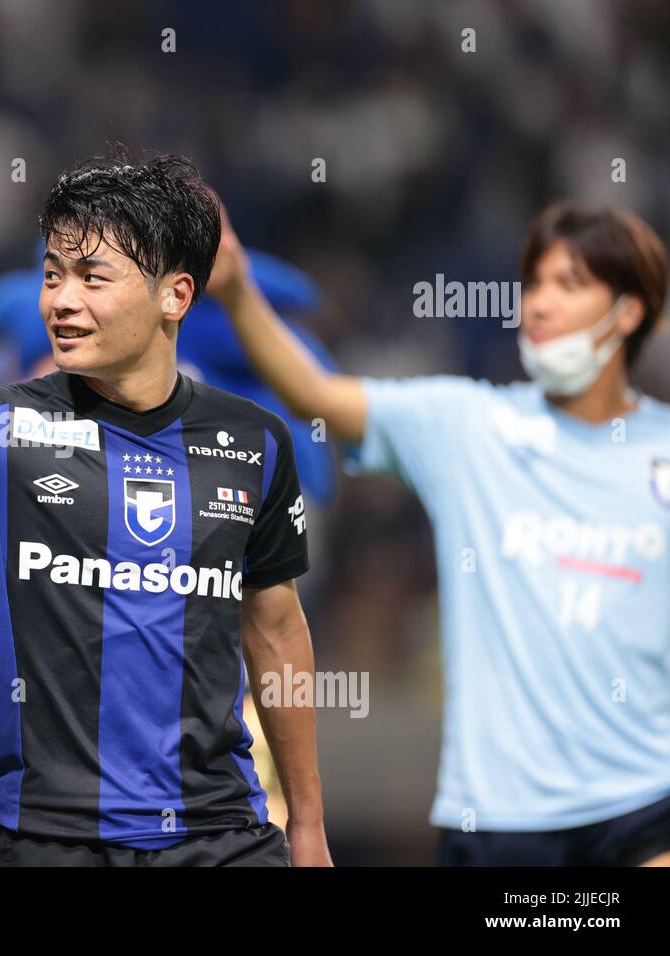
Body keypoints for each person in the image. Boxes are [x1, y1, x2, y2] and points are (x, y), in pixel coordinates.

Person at [0, 152, 332, 866]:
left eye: (92, 277)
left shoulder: (253, 441)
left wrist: (309, 827)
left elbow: (276, 630)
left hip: (220, 840)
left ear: (175, 296)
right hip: (46, 843)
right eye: (53, 274)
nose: (61, 300)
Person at [219, 199, 670, 867]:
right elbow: (316, 393)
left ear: (629, 311)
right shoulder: (466, 427)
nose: (540, 304)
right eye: (533, 283)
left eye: (569, 283)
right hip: (496, 815)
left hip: (646, 801)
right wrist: (234, 288)